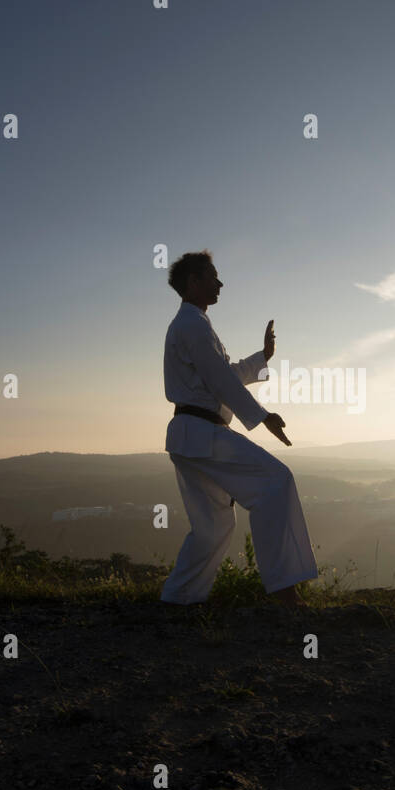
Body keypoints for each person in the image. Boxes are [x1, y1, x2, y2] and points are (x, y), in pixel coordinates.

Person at [160, 250, 317, 607]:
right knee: (276, 482)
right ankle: (284, 593)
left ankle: (178, 599)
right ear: (193, 282)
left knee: (213, 527)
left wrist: (263, 358)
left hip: (189, 435)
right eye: (212, 276)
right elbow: (219, 380)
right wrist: (263, 417)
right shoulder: (193, 325)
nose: (220, 283)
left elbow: (222, 374)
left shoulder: (191, 324)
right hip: (202, 433)